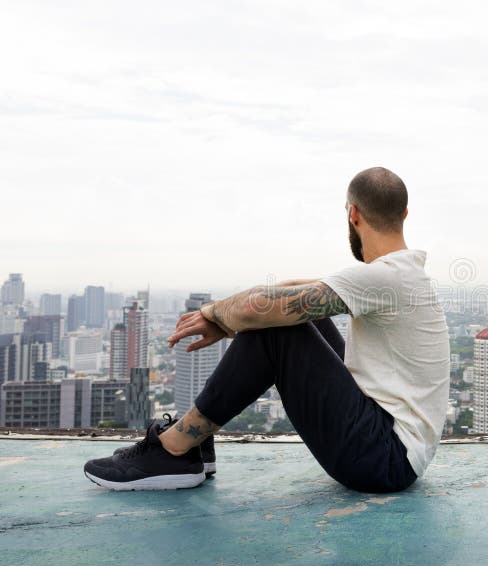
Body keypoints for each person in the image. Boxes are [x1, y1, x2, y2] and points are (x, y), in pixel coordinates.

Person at [83, 167, 451, 494]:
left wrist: (215, 314)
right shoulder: (400, 273)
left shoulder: (384, 277)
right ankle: (194, 442)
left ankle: (175, 448)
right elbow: (290, 291)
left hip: (382, 460)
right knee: (300, 316)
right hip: (388, 449)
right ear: (403, 214)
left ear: (352, 213)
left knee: (279, 330)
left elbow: (255, 307)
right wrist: (225, 322)